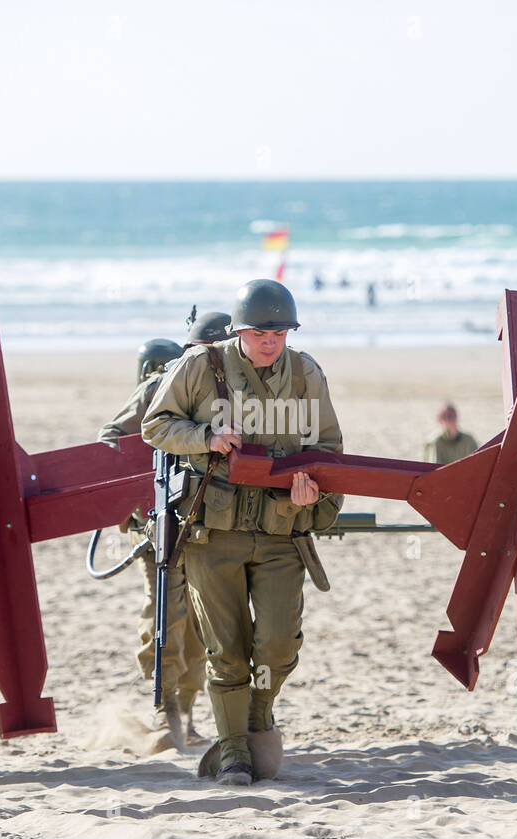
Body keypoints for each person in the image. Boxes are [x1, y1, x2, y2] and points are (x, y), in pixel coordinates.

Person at [141, 280, 342, 785]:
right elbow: (155, 425)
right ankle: (233, 751)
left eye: (280, 331)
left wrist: (314, 494)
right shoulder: (199, 367)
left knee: (277, 644)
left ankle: (257, 719)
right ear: (239, 330)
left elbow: (331, 450)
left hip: (280, 533)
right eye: (259, 331)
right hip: (214, 534)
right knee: (226, 650)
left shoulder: (305, 373)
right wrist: (206, 438)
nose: (270, 340)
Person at [96, 310, 233, 750]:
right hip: (163, 529)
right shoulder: (159, 386)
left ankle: (186, 715)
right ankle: (165, 711)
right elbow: (111, 440)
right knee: (164, 621)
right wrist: (137, 496)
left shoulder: (239, 392)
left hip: (211, 529)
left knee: (198, 626)